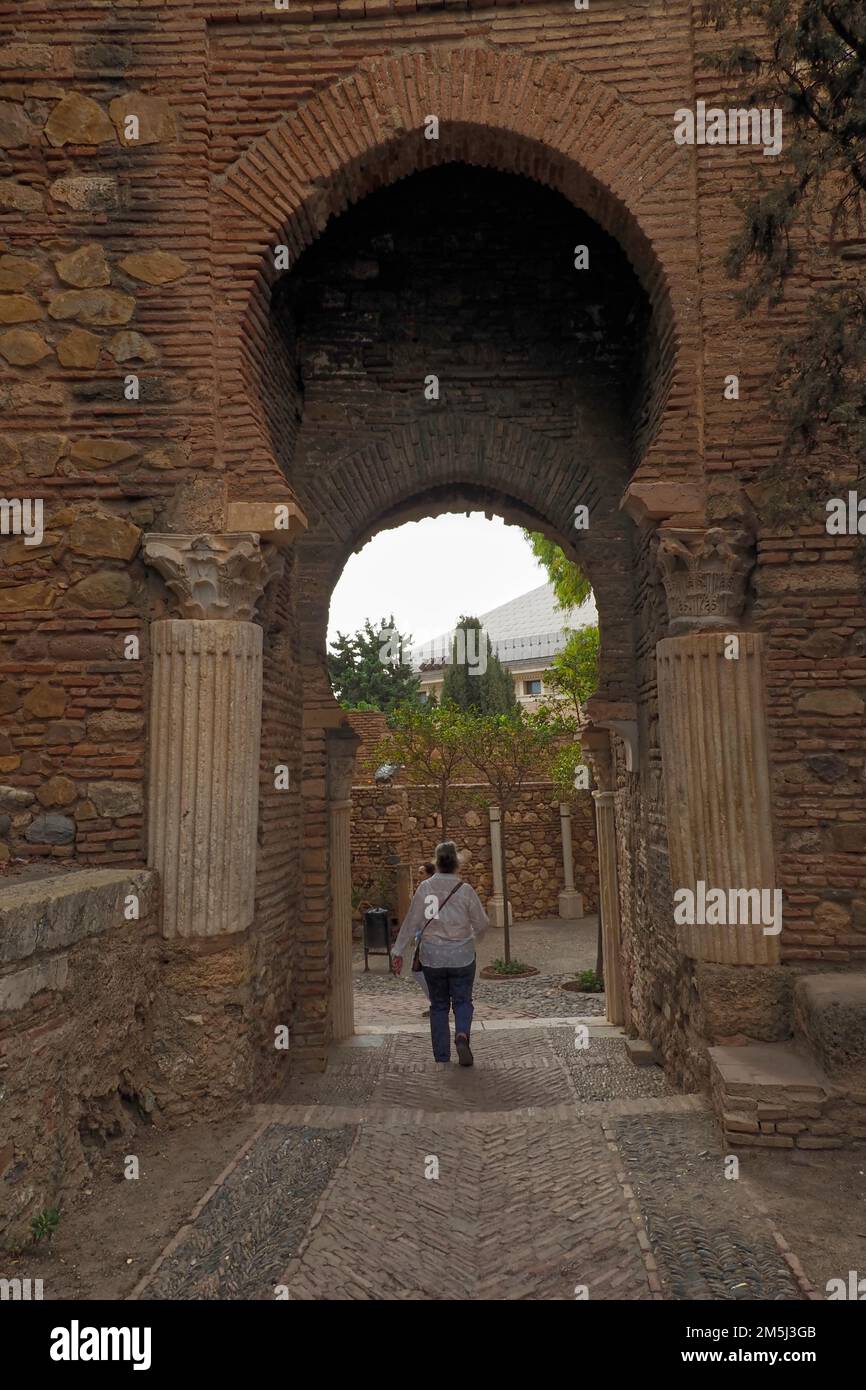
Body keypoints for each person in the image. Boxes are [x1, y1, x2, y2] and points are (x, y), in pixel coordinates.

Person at [392, 840, 488, 1066]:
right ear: (456, 865)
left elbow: (411, 922)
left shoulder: (425, 888)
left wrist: (398, 950)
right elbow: (482, 923)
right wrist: (475, 936)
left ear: (437, 864)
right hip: (462, 956)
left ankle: (442, 1058)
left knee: (439, 1005)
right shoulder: (465, 891)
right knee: (463, 1000)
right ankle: (462, 1034)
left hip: (432, 958)